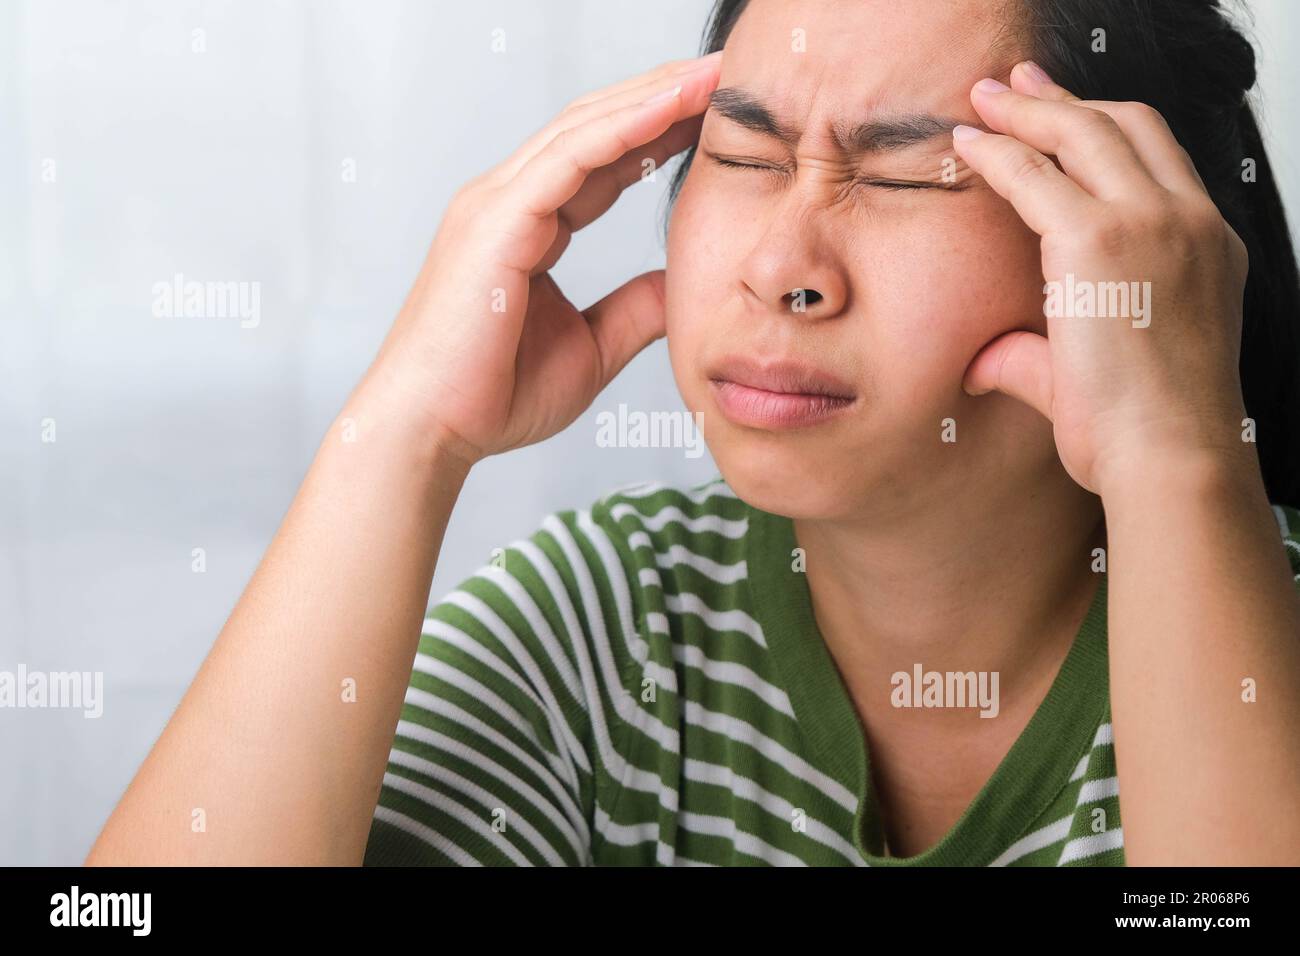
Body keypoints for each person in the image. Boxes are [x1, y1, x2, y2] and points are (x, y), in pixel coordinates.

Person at [87, 0, 1300, 867]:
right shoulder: (613, 622)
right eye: (741, 153)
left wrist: (1176, 465)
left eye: (902, 176)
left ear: (1141, 237)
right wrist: (403, 435)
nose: (781, 268)